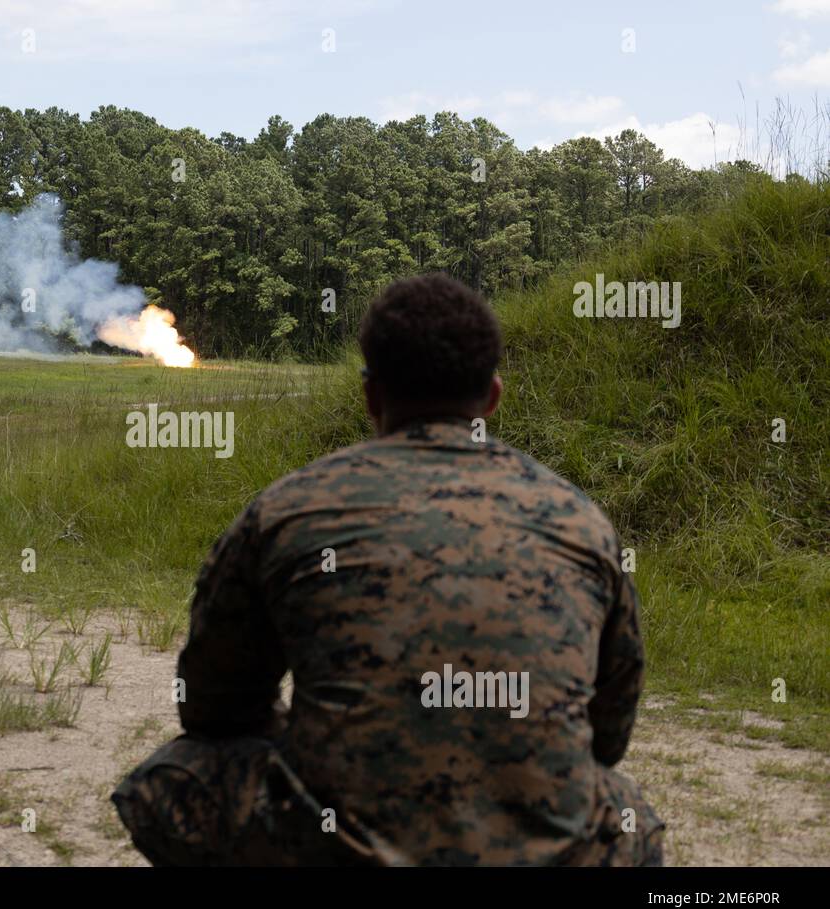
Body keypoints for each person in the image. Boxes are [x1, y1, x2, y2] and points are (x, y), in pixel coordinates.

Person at [111, 272, 664, 866]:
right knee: (628, 810)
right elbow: (607, 737)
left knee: (172, 776)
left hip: (338, 853)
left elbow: (211, 709)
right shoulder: (579, 520)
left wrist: (322, 733)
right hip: (543, 855)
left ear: (372, 396)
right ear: (493, 396)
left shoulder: (289, 509)